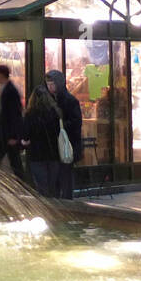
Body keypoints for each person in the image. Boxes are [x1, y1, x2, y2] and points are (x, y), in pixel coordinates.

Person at [46, 70, 83, 198]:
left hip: (67, 145)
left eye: (52, 84)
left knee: (65, 177)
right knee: (57, 177)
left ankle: (66, 202)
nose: (50, 87)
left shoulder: (70, 101)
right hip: (57, 145)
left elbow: (76, 123)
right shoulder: (51, 100)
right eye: (48, 84)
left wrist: (59, 126)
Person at [23, 83, 62, 196]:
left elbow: (26, 135)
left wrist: (24, 142)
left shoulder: (30, 114)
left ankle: (46, 210)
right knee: (53, 186)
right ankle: (56, 209)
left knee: (42, 187)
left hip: (37, 155)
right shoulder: (55, 113)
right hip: (53, 154)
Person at [0, 65, 26, 180]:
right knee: (12, 161)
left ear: (1, 75)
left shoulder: (10, 91)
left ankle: (23, 186)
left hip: (7, 134)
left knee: (12, 161)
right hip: (5, 134)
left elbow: (14, 115)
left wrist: (14, 136)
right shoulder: (7, 89)